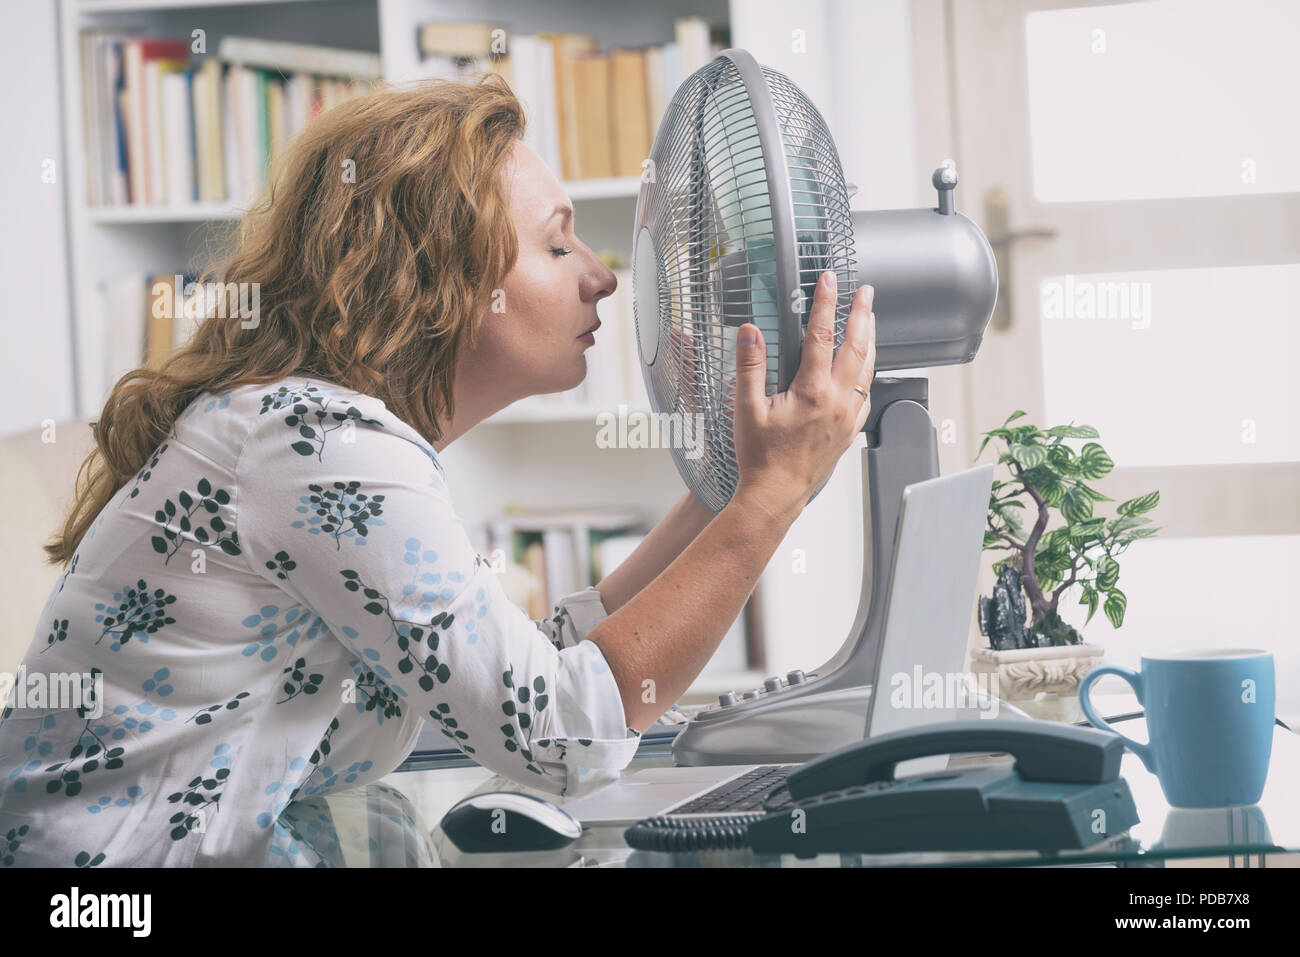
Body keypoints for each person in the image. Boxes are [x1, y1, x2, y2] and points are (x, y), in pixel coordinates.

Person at [0, 74, 875, 867]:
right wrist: (768, 499)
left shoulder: (318, 438)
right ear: (439, 276)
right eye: (558, 246)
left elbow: (532, 672)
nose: (603, 279)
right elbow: (562, 733)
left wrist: (733, 480)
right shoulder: (318, 446)